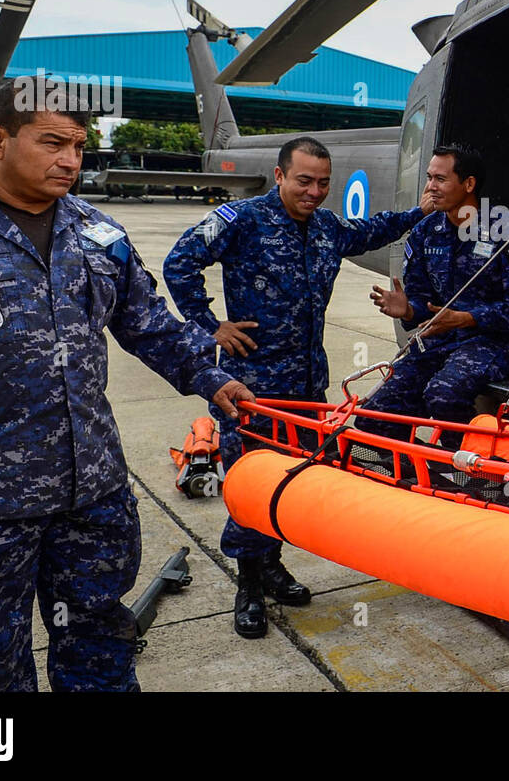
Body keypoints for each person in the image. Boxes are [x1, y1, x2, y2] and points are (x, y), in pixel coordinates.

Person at [0, 76, 253, 692]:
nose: (70, 160)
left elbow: (146, 322)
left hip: (91, 490)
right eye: (51, 143)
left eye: (78, 146)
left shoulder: (96, 230)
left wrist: (211, 376)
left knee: (100, 641)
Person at [163, 136, 429, 639]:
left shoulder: (327, 227)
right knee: (249, 482)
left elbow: (375, 230)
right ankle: (247, 584)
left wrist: (423, 209)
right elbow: (179, 264)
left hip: (307, 384)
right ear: (280, 175)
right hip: (252, 385)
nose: (314, 192)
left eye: (323, 183)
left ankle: (272, 566)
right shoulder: (241, 219)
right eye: (304, 180)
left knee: (290, 480)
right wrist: (210, 324)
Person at [363, 143, 509, 449]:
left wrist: (469, 319)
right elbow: (423, 304)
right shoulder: (425, 232)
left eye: (440, 179)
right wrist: (407, 310)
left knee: (443, 395)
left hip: (497, 341)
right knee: (374, 413)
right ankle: (418, 473)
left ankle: (477, 472)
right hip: (442, 341)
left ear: (468, 184)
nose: (431, 187)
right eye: (429, 178)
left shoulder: (508, 230)